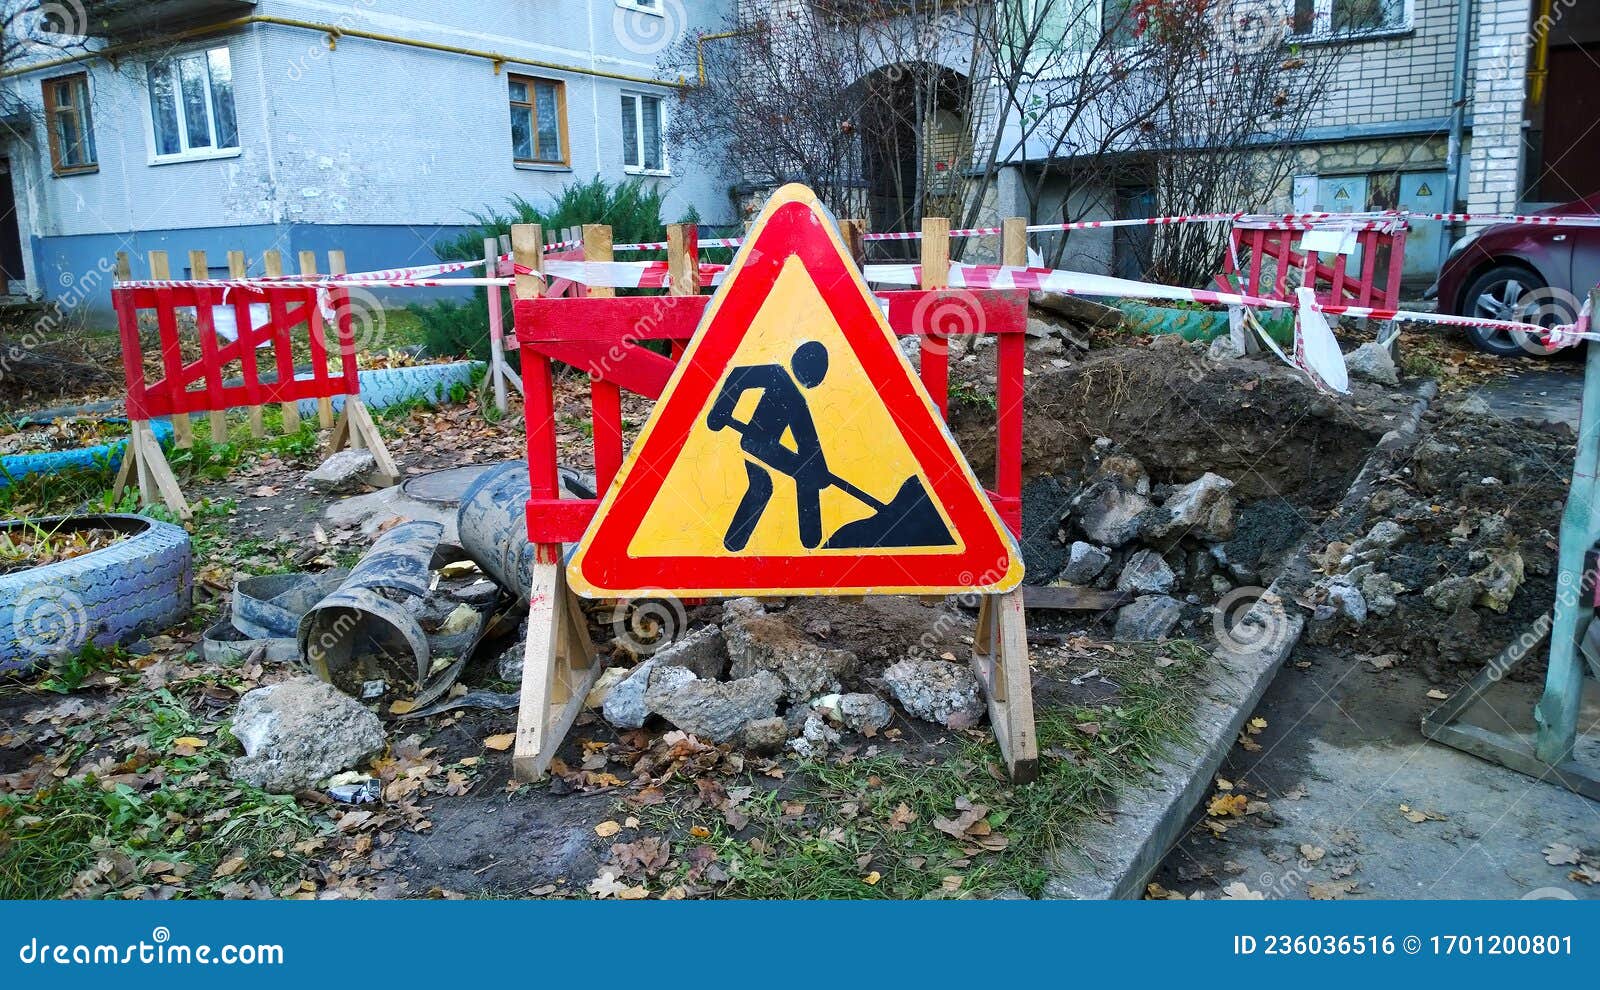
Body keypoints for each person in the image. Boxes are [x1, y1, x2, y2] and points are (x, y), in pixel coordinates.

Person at [706, 341, 831, 551]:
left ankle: (735, 544)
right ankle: (810, 537)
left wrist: (821, 470)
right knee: (799, 476)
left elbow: (807, 441)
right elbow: (738, 376)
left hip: (764, 446)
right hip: (757, 443)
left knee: (766, 486)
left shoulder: (797, 400)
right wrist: (720, 411)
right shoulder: (776, 374)